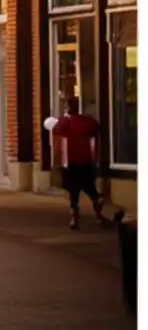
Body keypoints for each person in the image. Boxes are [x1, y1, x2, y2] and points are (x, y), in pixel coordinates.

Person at [52, 97, 110, 230]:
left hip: (72, 161)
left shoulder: (66, 122)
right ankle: (99, 211)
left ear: (68, 108)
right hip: (86, 160)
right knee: (90, 187)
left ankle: (74, 218)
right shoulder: (88, 121)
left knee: (74, 192)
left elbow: (57, 130)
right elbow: (96, 129)